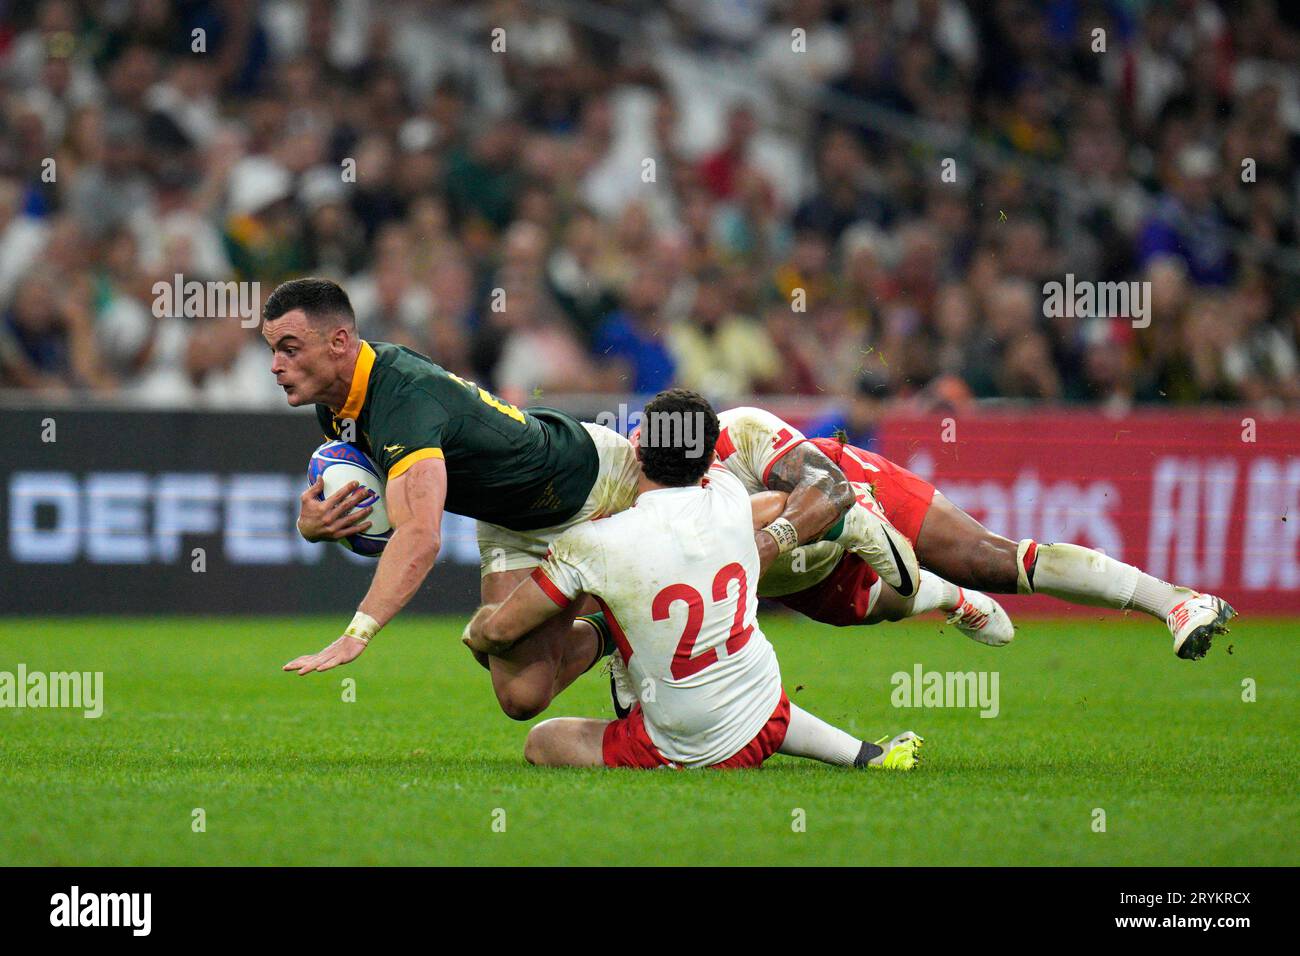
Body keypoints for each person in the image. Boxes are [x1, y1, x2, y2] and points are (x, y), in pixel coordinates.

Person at [264, 278, 917, 722]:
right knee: (522, 696)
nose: (276, 365)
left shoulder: (402, 395)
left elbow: (420, 534)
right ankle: (610, 627)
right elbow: (372, 510)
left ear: (339, 342)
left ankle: (838, 510)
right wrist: (314, 524)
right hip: (511, 523)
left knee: (701, 542)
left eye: (289, 348)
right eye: (272, 351)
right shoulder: (337, 409)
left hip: (590, 479)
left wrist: (359, 632)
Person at [463, 388, 922, 771]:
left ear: (637, 451)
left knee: (542, 740)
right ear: (708, 459)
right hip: (765, 716)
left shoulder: (592, 542)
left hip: (685, 747)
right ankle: (864, 754)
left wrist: (477, 632)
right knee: (739, 678)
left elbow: (500, 631)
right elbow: (770, 496)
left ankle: (615, 644)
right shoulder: (729, 496)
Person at [717, 407, 1236, 660]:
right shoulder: (662, 496)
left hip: (854, 491)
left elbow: (825, 486)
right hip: (798, 577)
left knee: (989, 560)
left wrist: (765, 543)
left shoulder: (739, 428)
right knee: (895, 602)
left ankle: (1174, 602)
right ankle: (951, 596)